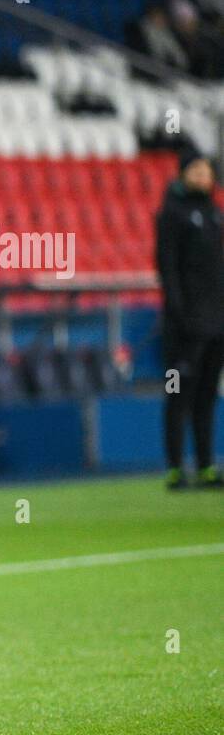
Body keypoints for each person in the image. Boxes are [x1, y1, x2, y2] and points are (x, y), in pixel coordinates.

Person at [155, 147, 224, 489]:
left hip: (216, 324)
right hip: (182, 326)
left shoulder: (215, 214)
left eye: (206, 170)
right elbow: (167, 268)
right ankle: (174, 467)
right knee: (177, 392)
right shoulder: (171, 213)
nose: (202, 175)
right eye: (196, 169)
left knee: (207, 396)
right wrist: (179, 312)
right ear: (182, 173)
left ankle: (207, 465)